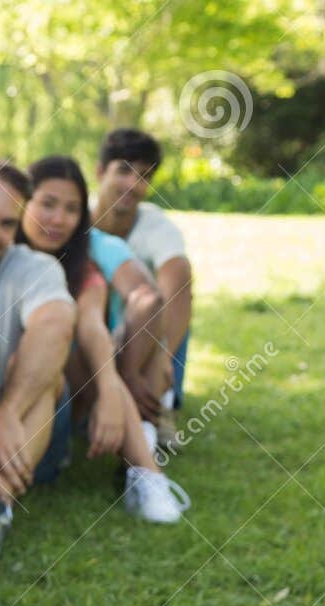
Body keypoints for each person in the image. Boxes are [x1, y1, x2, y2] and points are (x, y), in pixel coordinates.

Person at [20, 155, 189, 523]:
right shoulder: (2, 254)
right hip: (5, 393)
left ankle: (147, 475)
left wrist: (115, 385)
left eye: (70, 209)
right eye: (47, 204)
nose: (58, 219)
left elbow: (93, 324)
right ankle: (140, 440)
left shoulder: (85, 263)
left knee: (77, 352)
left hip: (60, 392)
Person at [0, 159, 77, 545]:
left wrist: (8, 410)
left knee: (49, 379)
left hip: (18, 425)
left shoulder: (31, 266)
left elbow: (55, 324)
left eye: (7, 224)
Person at [90, 128, 193, 446]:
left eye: (144, 176)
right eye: (123, 170)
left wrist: (163, 357)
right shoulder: (76, 219)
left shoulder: (156, 226)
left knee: (156, 305)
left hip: (144, 336)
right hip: (97, 329)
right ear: (100, 171)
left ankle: (155, 414)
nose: (133, 185)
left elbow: (177, 283)